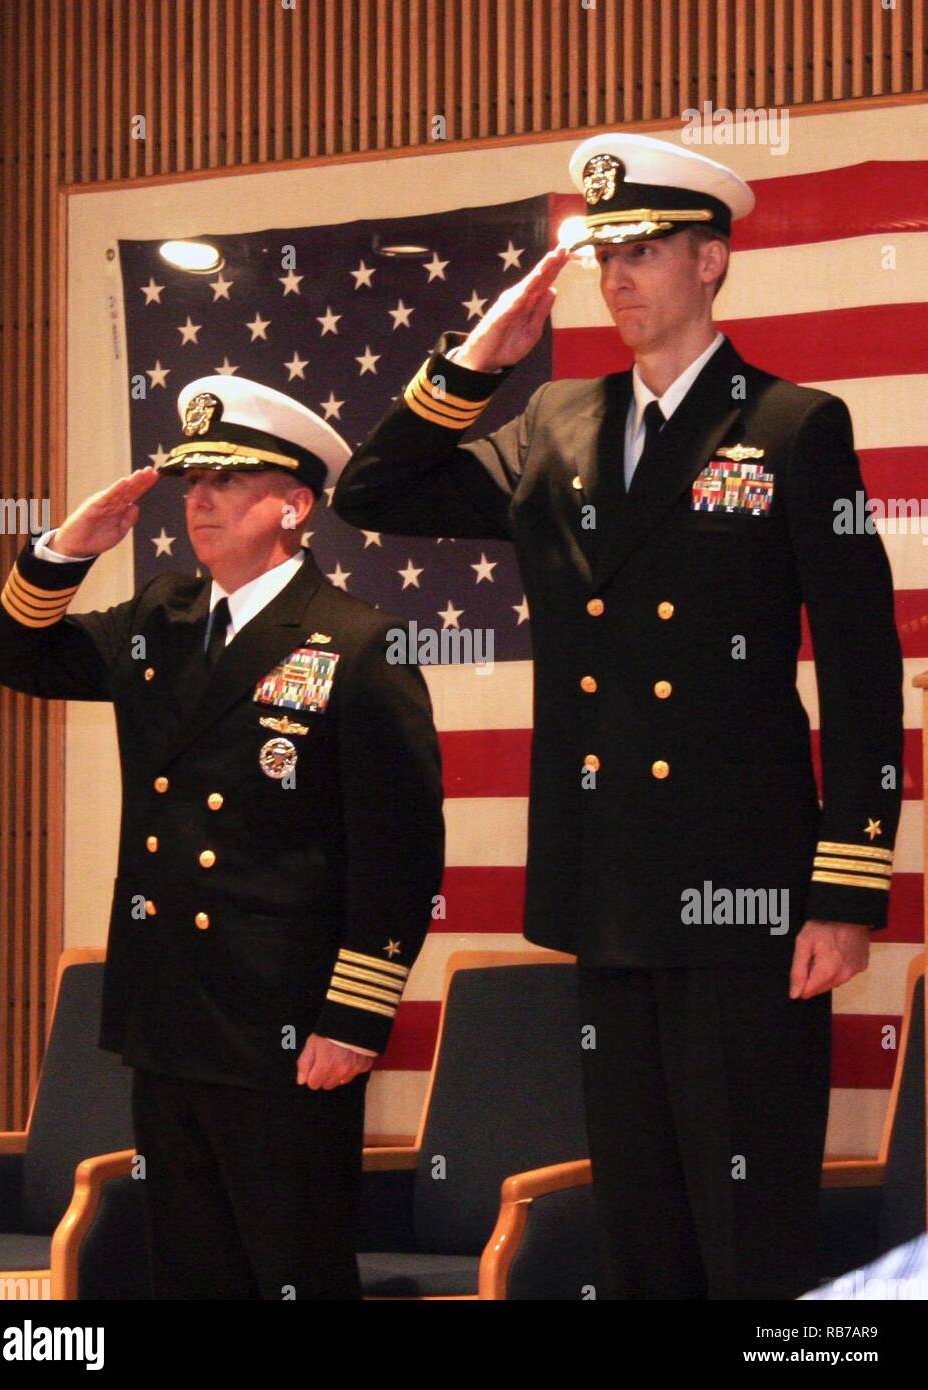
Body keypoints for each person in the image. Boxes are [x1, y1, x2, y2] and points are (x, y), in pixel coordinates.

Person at [332, 133, 904, 1299]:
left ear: (713, 261)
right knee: (640, 1227)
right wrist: (475, 364)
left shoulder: (794, 427)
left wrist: (844, 894)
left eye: (647, 250)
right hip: (610, 888)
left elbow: (861, 673)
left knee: (750, 1226)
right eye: (609, 256)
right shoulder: (555, 425)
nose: (623, 275)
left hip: (748, 895)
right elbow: (369, 491)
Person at [0, 375, 445, 1300]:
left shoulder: (358, 642)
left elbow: (400, 852)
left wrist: (353, 1019)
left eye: (228, 479)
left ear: (294, 504)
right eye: (192, 480)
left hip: (286, 1024)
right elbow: (14, 655)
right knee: (189, 1275)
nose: (199, 499)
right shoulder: (161, 619)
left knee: (291, 1271)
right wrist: (66, 549)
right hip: (170, 1016)